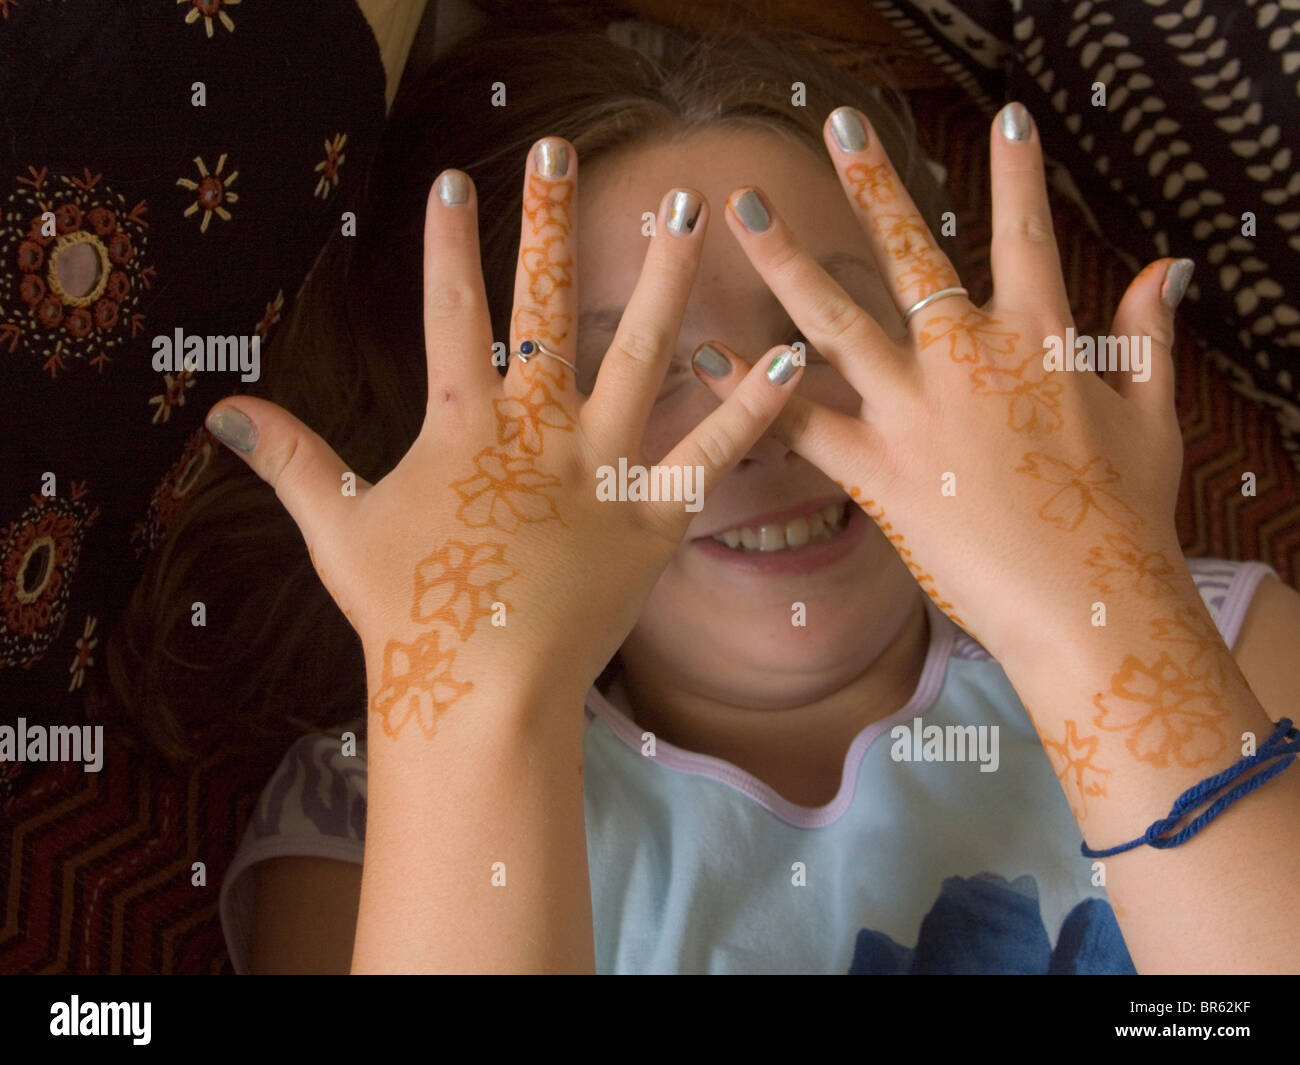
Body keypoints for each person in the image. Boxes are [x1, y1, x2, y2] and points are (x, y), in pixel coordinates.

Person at [110, 18, 1300, 974]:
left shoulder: (1225, 640)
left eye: (815, 332)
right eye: (622, 366)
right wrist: (468, 691)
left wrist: (1108, 611)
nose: (757, 423)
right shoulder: (368, 815)